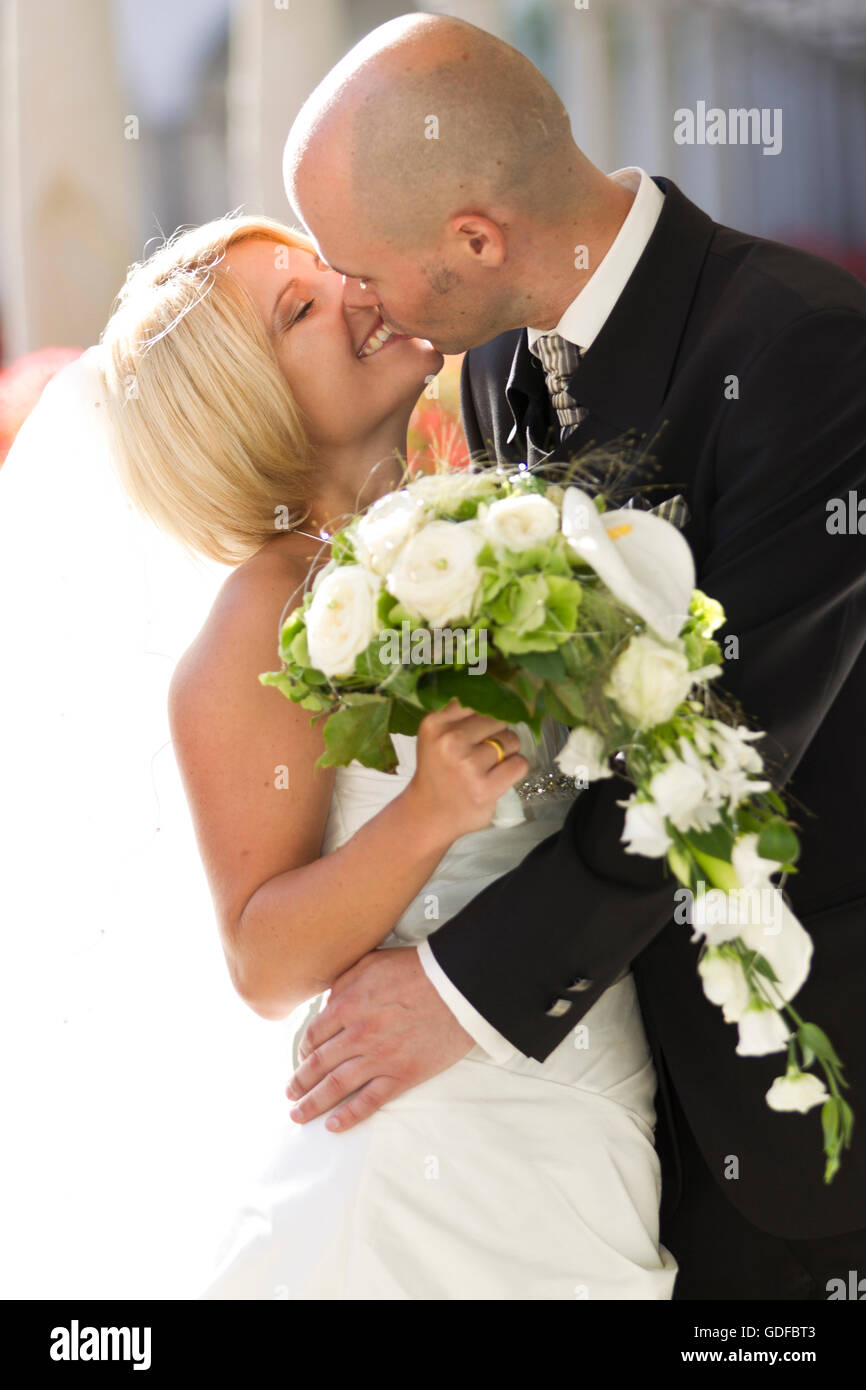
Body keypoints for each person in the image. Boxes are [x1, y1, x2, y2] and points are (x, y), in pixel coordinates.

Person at [280, 12, 866, 1299]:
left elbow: (731, 742)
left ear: (475, 238)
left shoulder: (801, 348)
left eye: (363, 272)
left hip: (784, 1058)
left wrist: (458, 990)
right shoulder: (494, 359)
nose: (359, 307)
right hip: (606, 1071)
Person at [93, 212, 675, 1299]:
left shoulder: (488, 524)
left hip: (580, 1090)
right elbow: (261, 961)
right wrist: (423, 813)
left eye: (331, 268)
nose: (355, 290)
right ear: (245, 401)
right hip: (429, 1154)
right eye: (299, 309)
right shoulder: (260, 613)